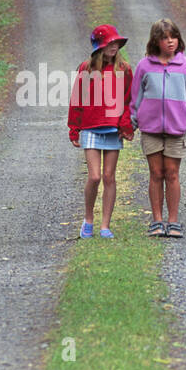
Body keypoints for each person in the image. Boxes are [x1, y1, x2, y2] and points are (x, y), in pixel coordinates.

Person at [131, 19, 186, 238]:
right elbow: (135, 98)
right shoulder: (144, 66)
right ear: (156, 41)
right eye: (164, 38)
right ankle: (157, 221)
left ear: (178, 39)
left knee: (171, 173)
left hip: (176, 129)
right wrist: (133, 122)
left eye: (173, 37)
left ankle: (173, 221)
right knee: (155, 173)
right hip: (151, 129)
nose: (170, 41)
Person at [68, 23, 134, 238]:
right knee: (94, 176)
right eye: (109, 43)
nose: (113, 47)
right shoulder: (86, 68)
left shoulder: (124, 69)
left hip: (113, 129)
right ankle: (88, 219)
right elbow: (77, 99)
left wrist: (126, 124)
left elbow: (129, 100)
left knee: (109, 177)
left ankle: (105, 225)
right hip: (90, 127)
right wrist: (74, 128)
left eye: (116, 43)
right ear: (99, 47)